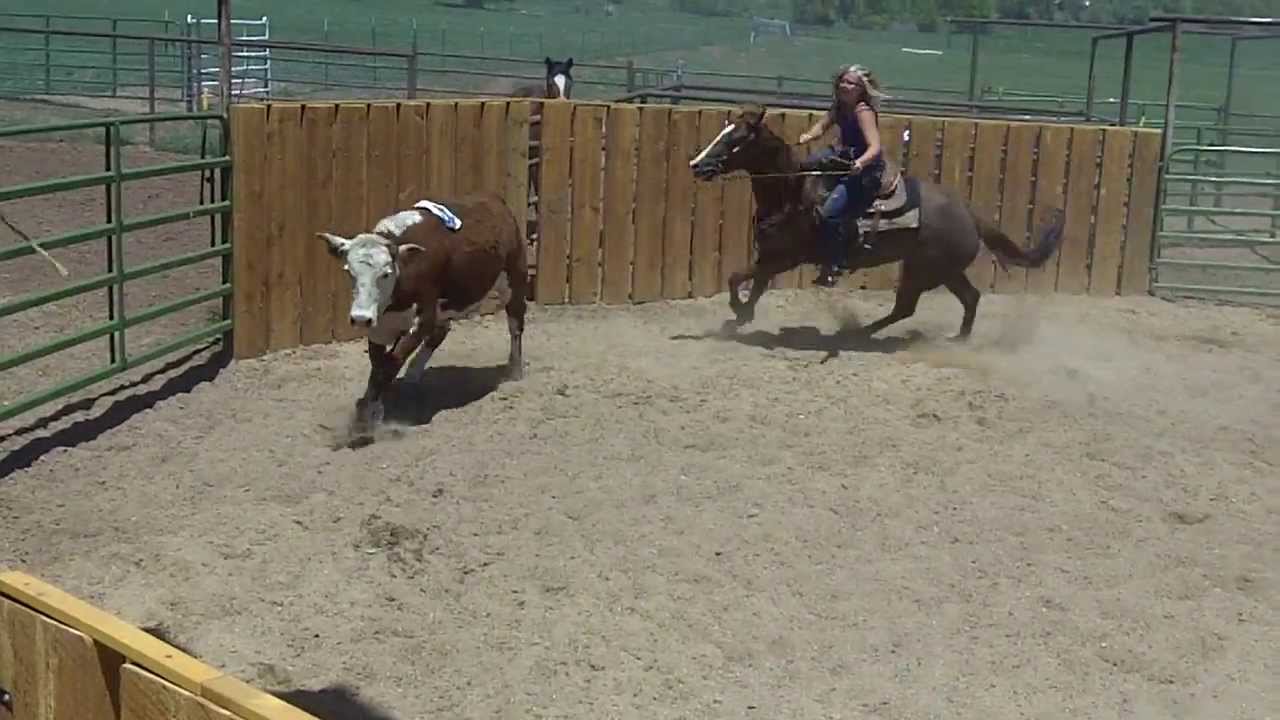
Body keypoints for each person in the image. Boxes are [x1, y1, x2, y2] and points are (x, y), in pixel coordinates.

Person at [797, 64, 887, 288]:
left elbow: (875, 147)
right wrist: (807, 136)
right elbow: (821, 127)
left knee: (830, 213)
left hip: (863, 168)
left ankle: (834, 264)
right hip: (842, 158)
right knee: (803, 166)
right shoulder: (839, 107)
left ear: (861, 89)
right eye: (843, 82)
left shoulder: (862, 111)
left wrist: (860, 163)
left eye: (851, 83)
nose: (845, 86)